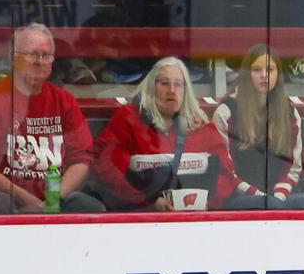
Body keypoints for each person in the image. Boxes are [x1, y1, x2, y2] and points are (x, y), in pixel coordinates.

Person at [0, 23, 103, 214]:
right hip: (4, 195)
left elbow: (82, 159)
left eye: (46, 55)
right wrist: (30, 203)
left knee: (92, 207)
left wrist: (55, 197)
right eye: (32, 54)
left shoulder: (64, 100)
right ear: (12, 58)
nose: (40, 61)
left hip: (54, 196)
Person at [94, 56, 237, 211]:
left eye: (178, 84)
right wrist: (148, 201)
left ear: (186, 90)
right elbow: (108, 170)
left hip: (199, 218)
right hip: (143, 218)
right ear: (151, 87)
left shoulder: (204, 128)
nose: (172, 90)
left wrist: (208, 204)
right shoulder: (127, 120)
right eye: (165, 83)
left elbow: (225, 173)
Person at [211, 46, 304, 210]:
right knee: (271, 205)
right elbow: (226, 170)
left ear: (278, 74)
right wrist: (263, 198)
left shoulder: (289, 112)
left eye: (270, 69)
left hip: (276, 198)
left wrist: (278, 196)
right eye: (256, 69)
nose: (264, 75)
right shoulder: (227, 112)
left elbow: (292, 167)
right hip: (238, 196)